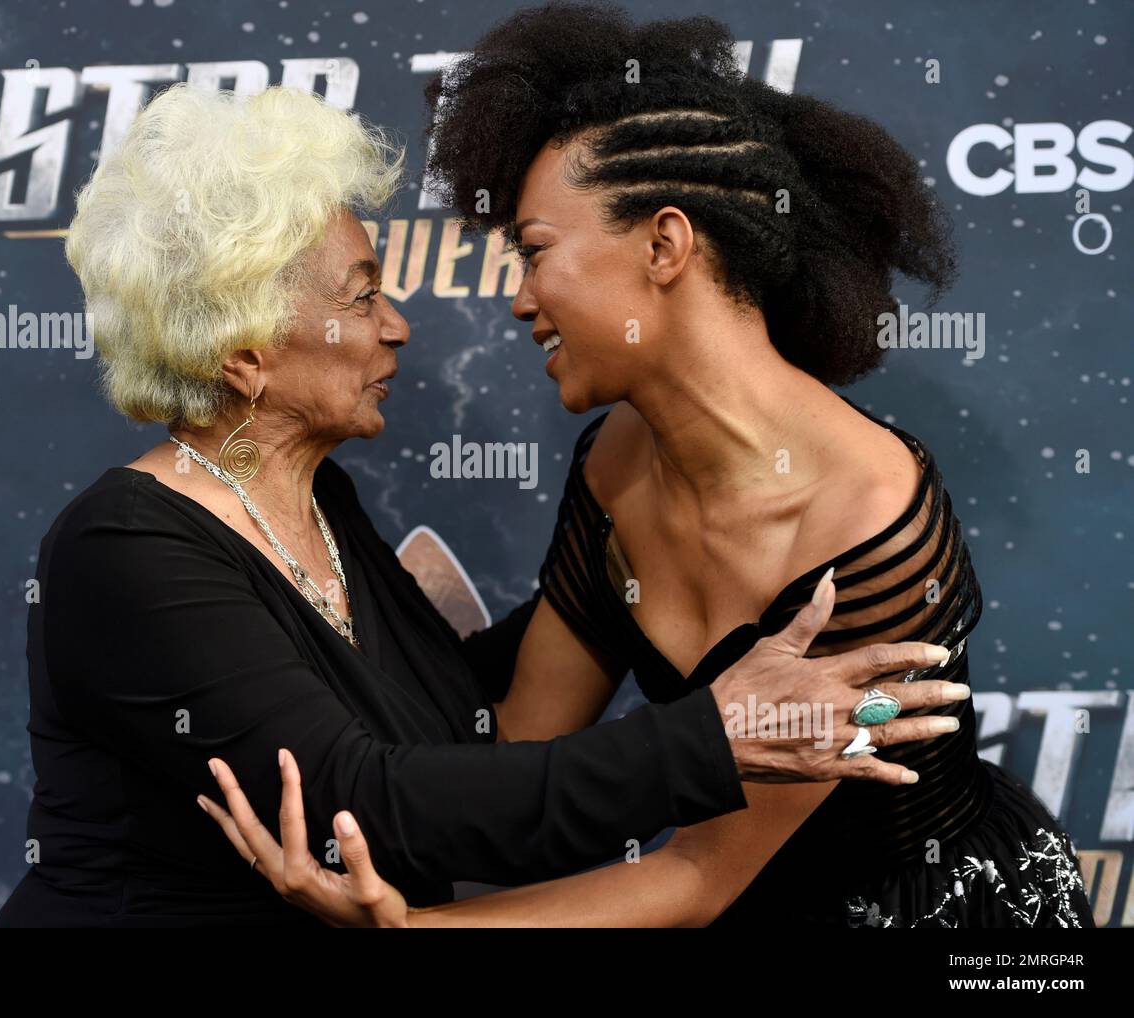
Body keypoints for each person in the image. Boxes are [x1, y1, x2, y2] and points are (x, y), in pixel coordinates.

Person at [0, 80, 962, 928]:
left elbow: (460, 726)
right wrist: (712, 730)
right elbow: (361, 795)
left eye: (536, 252)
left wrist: (626, 580)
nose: (401, 326)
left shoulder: (317, 498)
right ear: (244, 355)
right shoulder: (125, 549)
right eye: (365, 297)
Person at [202, 4, 1094, 928]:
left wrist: (412, 930)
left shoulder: (866, 522)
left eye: (536, 252)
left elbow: (702, 878)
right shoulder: (615, 464)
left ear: (664, 246)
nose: (517, 302)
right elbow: (524, 741)